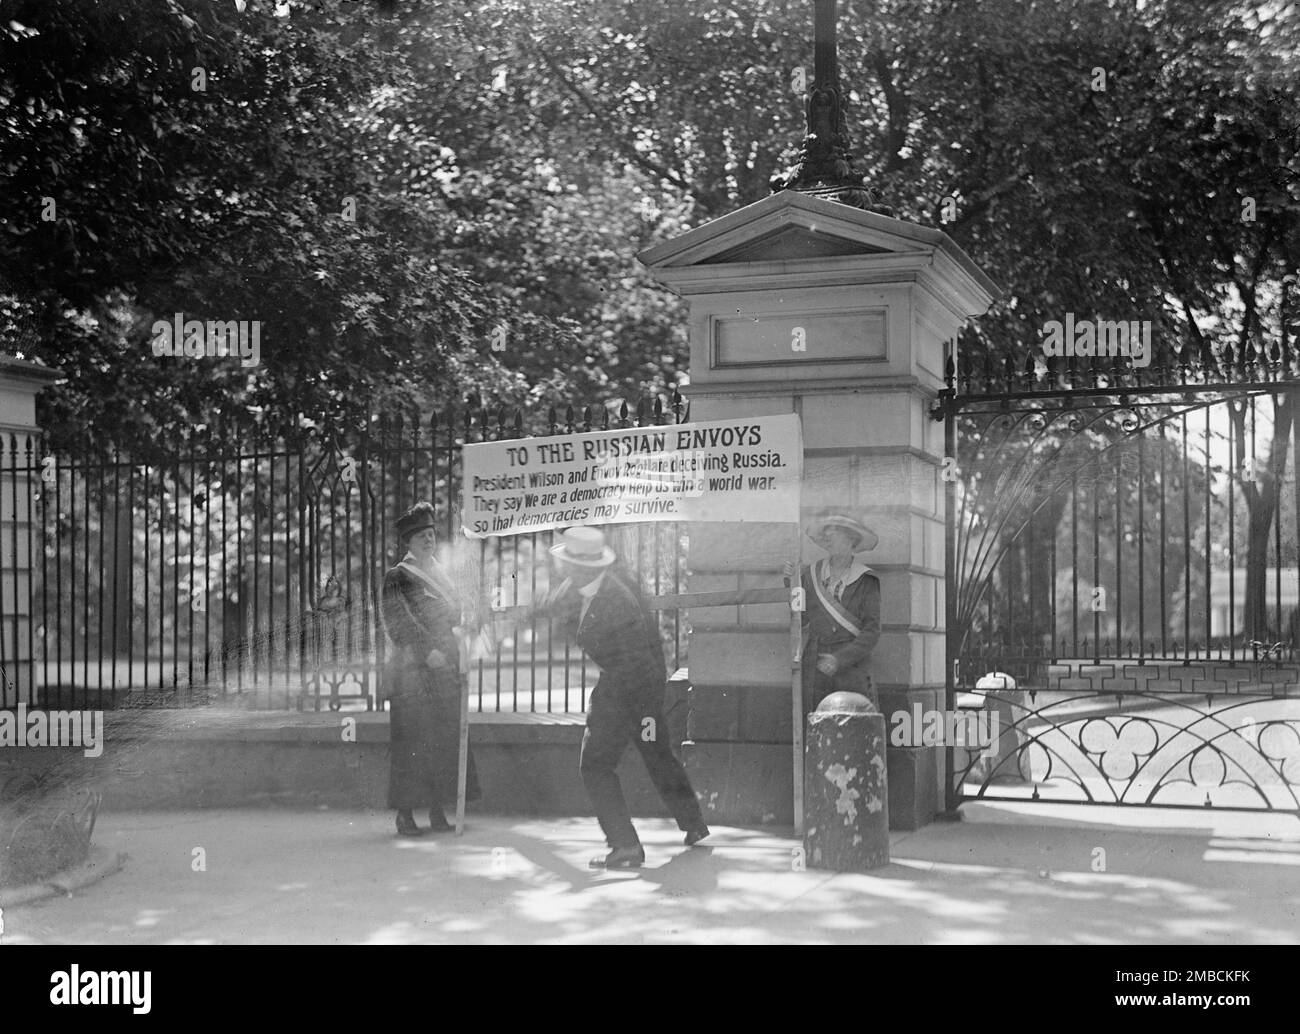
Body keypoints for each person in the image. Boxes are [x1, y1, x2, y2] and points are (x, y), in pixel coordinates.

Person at [543, 526, 710, 870]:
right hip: (634, 688)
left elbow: (637, 661)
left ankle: (625, 846)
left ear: (581, 567)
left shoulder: (614, 599)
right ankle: (694, 824)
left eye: (567, 563)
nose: (562, 569)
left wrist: (641, 714)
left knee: (595, 765)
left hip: (630, 692)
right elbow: (552, 606)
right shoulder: (590, 587)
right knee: (657, 754)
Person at [379, 501, 480, 837]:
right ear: (407, 542)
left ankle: (438, 811)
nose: (428, 541)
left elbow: (455, 615)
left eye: (431, 535)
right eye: (420, 536)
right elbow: (400, 623)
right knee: (412, 744)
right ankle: (405, 816)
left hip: (443, 670)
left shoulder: (442, 576)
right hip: (412, 673)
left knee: (441, 741)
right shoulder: (398, 576)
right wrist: (430, 652)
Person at [785, 511, 882, 714]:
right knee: (816, 725)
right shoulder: (810, 575)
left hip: (852, 669)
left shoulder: (866, 580)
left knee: (853, 727)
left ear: (850, 539)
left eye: (834, 533)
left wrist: (839, 659)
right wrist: (791, 582)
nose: (827, 538)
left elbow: (871, 632)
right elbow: (800, 618)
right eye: (825, 534)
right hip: (815, 667)